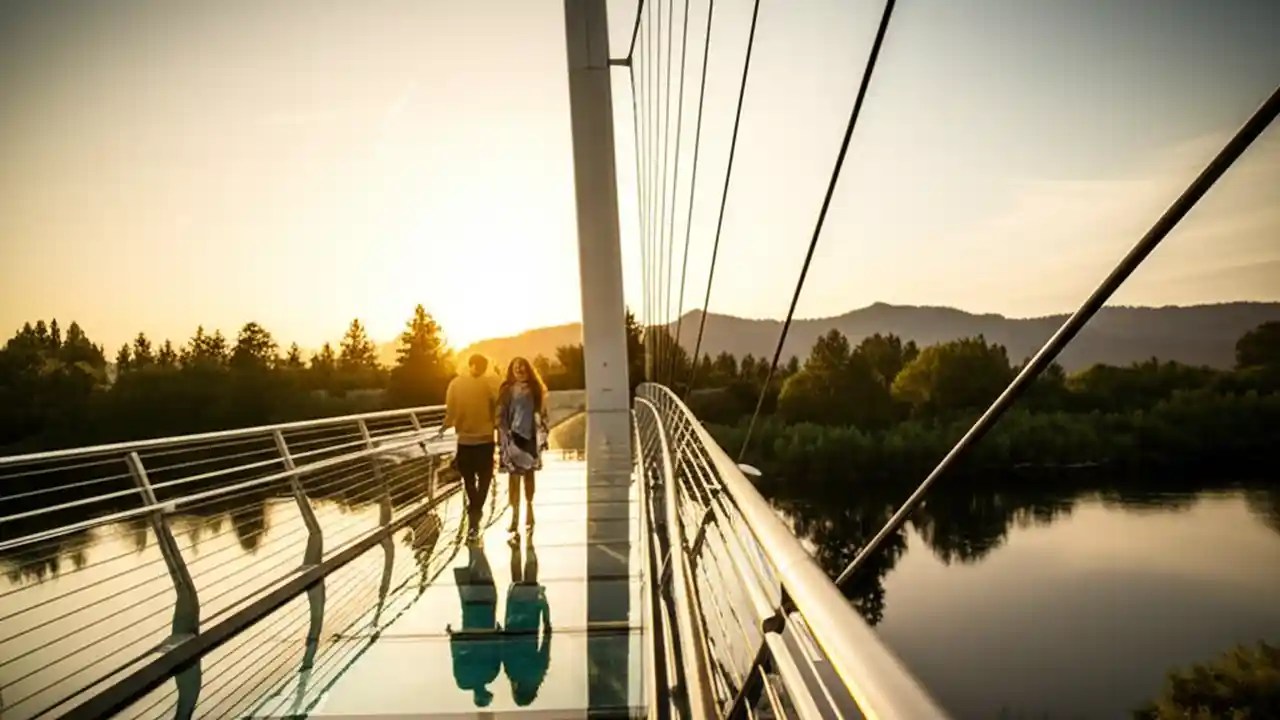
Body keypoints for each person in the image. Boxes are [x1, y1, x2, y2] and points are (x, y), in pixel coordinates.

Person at [440, 354, 498, 540]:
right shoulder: (490, 384)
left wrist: (445, 426)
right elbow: (498, 405)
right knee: (483, 477)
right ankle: (476, 510)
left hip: (468, 439)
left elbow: (451, 410)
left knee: (471, 479)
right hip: (483, 438)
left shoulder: (456, 384)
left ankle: (475, 510)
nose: (479, 371)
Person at [497, 356, 549, 535]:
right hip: (512, 437)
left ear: (528, 369)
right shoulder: (507, 390)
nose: (519, 370)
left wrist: (543, 435)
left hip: (531, 438)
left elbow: (542, 413)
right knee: (513, 479)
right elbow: (500, 415)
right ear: (511, 370)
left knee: (528, 476)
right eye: (516, 367)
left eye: (522, 367)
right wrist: (503, 436)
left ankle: (529, 509)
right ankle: (514, 517)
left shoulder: (535, 388)